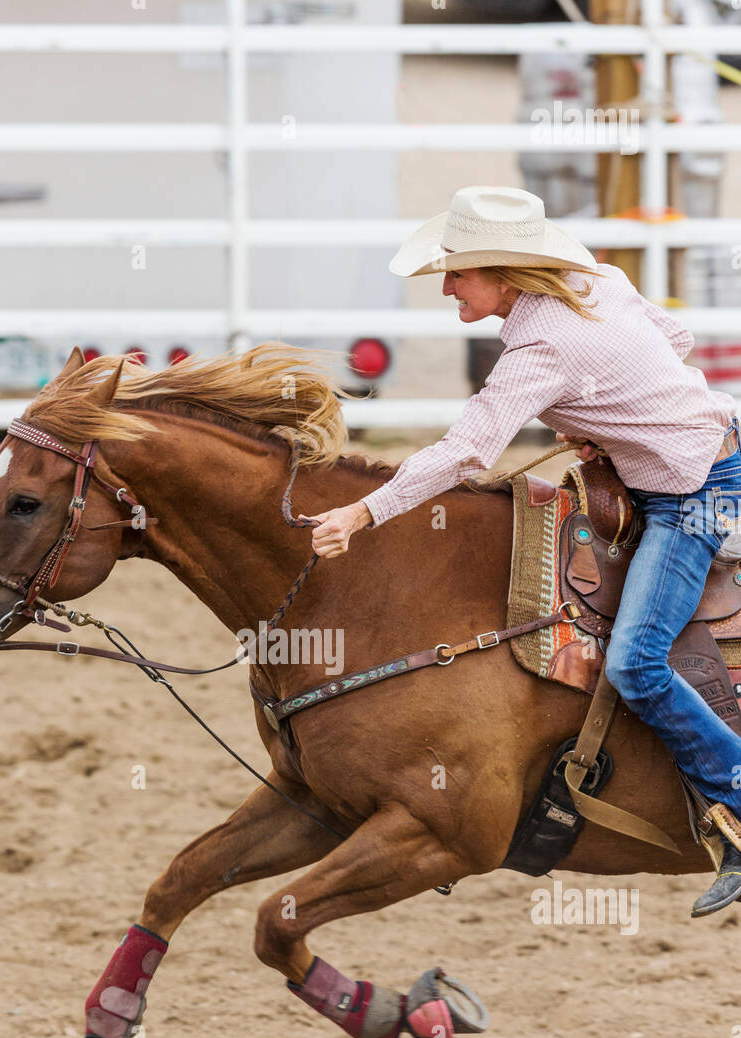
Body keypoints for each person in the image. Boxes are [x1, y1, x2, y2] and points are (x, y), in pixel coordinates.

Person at [301, 185, 741, 918]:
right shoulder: (599, 281)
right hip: (709, 452)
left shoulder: (540, 347)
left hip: (693, 493)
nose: (446, 287)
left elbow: (467, 449)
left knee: (635, 660)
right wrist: (616, 410)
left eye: (457, 273)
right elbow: (672, 341)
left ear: (503, 273)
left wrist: (364, 511)